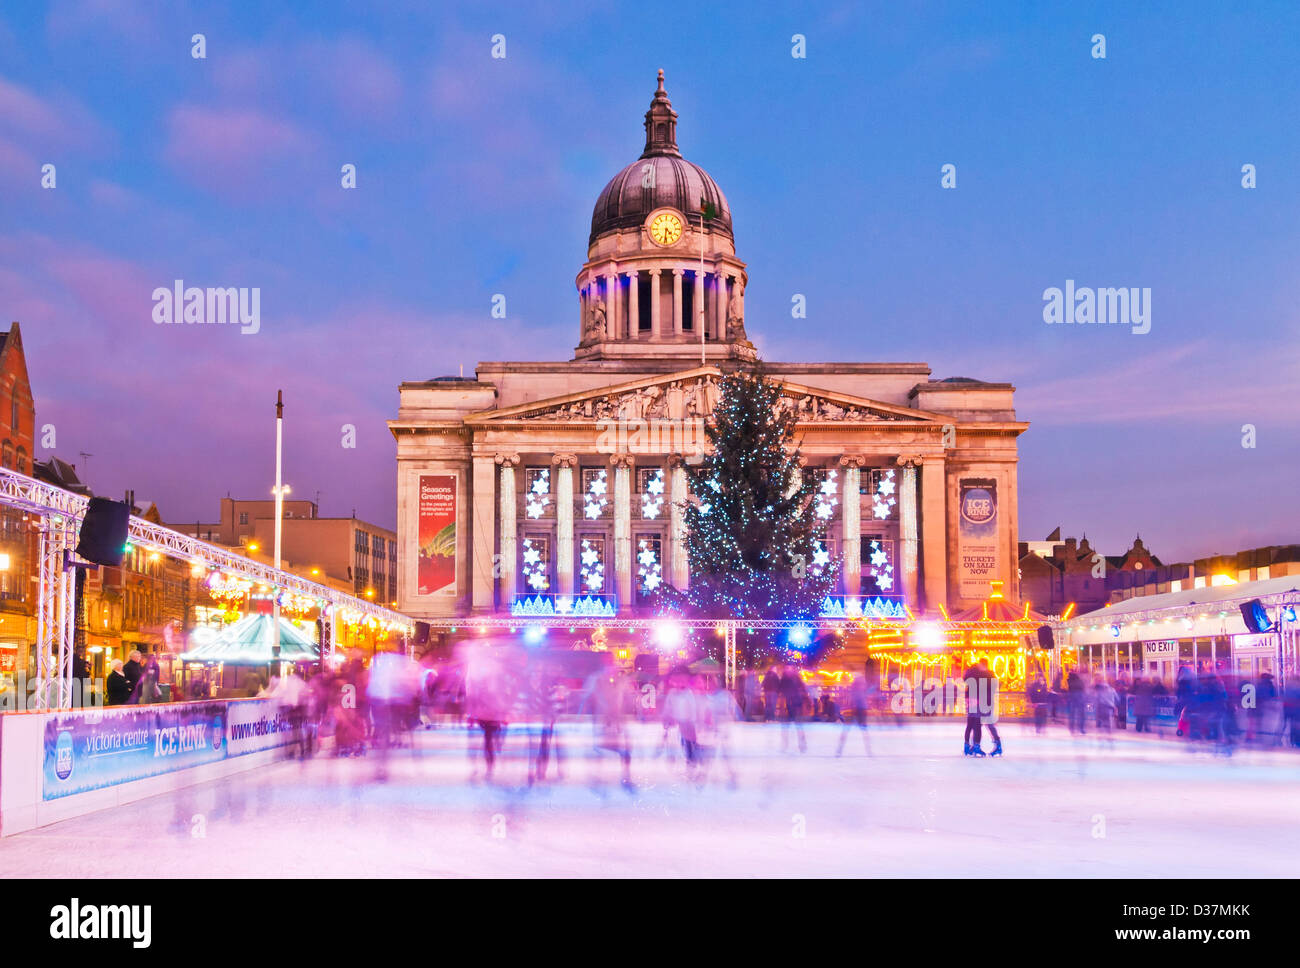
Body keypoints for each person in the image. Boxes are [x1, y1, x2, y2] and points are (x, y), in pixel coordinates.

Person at [836, 673, 872, 756]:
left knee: (848, 730)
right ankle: (868, 749)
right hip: (859, 710)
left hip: (857, 710)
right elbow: (861, 699)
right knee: (863, 730)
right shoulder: (859, 690)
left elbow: (854, 700)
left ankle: (840, 749)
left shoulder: (855, 690)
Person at [778, 664, 808, 753]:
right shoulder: (784, 679)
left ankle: (802, 746)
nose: (788, 670)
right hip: (788, 706)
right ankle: (784, 746)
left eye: (790, 668)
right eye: (787, 668)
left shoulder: (796, 678)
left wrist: (804, 701)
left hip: (797, 704)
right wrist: (782, 706)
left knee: (799, 726)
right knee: (785, 727)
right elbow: (781, 691)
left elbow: (803, 689)